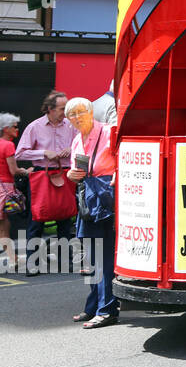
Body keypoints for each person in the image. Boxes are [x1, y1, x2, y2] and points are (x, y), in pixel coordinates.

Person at [65, 97, 119, 328]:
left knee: (104, 257)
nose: (77, 117)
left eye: (81, 112)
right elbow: (76, 169)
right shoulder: (77, 139)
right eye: (72, 115)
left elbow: (123, 159)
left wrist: (117, 174)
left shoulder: (108, 131)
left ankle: (107, 310)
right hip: (88, 199)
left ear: (90, 111)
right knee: (91, 257)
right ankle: (93, 306)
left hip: (105, 199)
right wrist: (70, 175)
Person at [14, 91, 76, 273]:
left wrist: (71, 148)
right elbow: (20, 153)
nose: (65, 112)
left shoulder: (71, 126)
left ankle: (66, 261)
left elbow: (81, 146)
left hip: (65, 174)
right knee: (37, 220)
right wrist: (43, 153)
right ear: (50, 109)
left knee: (65, 220)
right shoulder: (35, 126)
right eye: (62, 108)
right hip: (42, 176)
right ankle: (32, 264)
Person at [0, 113, 20, 259]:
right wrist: (27, 171)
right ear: (5, 129)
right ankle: (13, 259)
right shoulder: (8, 145)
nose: (17, 129)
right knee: (4, 225)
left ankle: (12, 257)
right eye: (14, 126)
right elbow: (14, 171)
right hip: (5, 187)